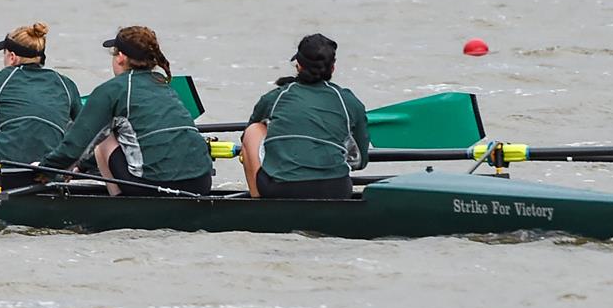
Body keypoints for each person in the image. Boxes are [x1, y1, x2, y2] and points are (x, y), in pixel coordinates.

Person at [37, 26, 211, 195]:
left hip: (151, 185)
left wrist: (44, 170)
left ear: (120, 57)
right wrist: (81, 166)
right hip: (201, 182)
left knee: (105, 138)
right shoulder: (165, 86)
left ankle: (120, 204)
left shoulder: (112, 90)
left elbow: (76, 145)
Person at [239, 32, 369, 200]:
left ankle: (259, 206)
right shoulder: (349, 102)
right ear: (332, 68)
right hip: (337, 190)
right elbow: (361, 161)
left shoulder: (275, 98)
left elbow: (247, 145)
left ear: (298, 65)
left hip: (281, 189)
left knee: (253, 131)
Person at [0, 23, 80, 173]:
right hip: (50, 172)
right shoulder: (66, 85)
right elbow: (85, 128)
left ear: (12, 57)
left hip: (5, 173)